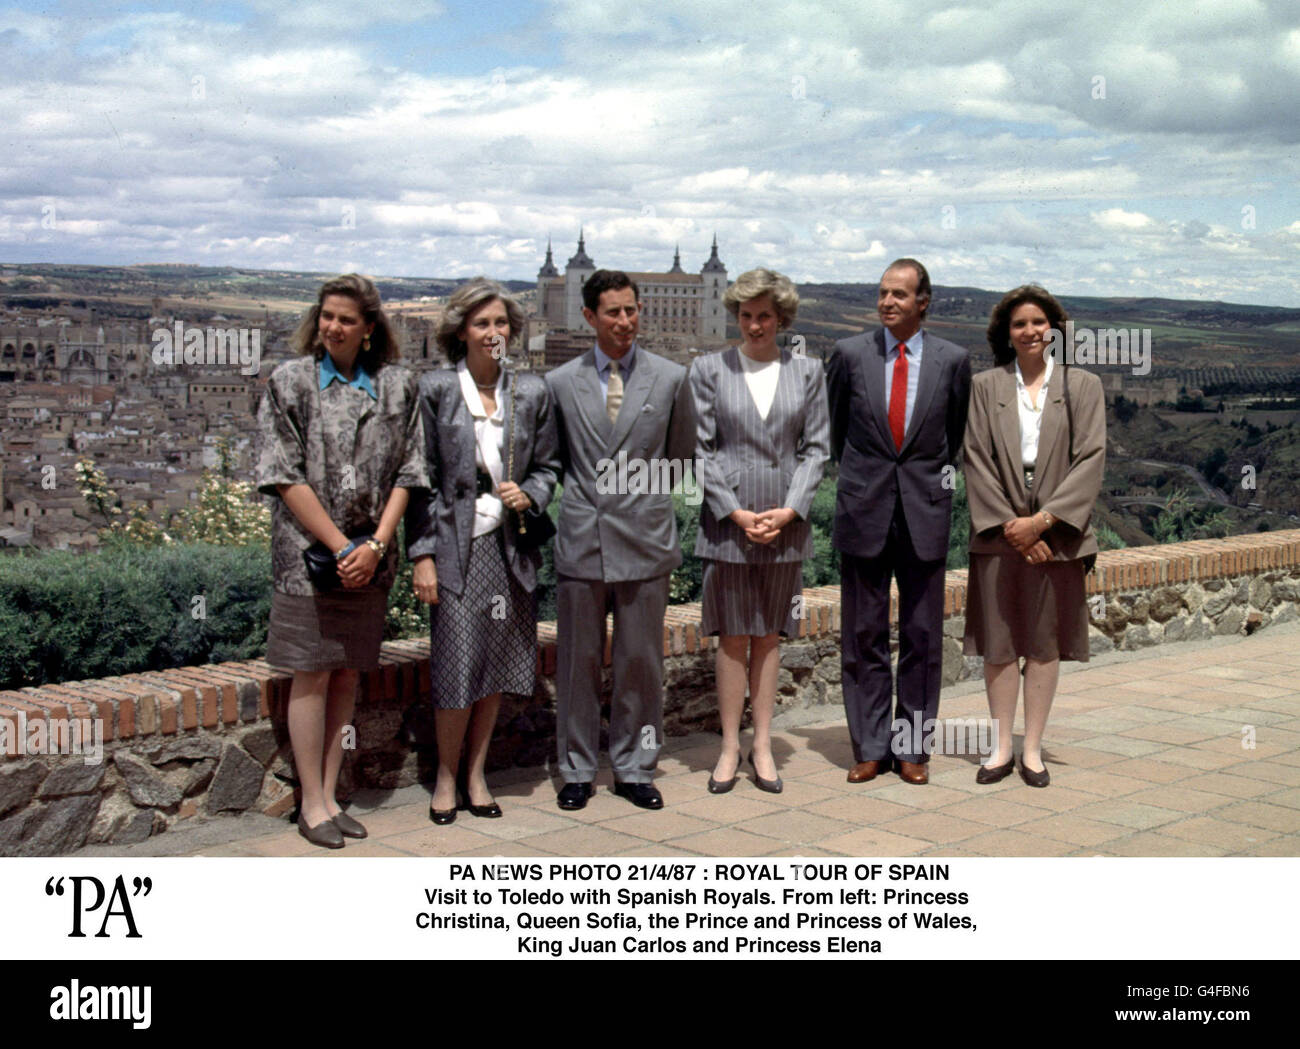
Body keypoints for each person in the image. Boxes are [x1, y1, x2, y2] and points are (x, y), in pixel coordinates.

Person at [257, 274, 428, 848]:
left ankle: (331, 793)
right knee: (311, 673)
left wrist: (377, 544)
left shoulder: (398, 387)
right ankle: (310, 802)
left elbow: (410, 470)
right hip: (308, 556)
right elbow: (283, 475)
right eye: (326, 315)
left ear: (370, 328)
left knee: (347, 673)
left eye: (346, 319)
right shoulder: (290, 382)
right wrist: (341, 546)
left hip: (371, 558)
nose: (333, 326)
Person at [405, 278, 559, 823]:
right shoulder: (437, 390)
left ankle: (476, 774)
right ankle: (446, 776)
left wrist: (532, 493)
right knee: (455, 664)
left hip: (510, 547)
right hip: (455, 550)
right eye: (481, 324)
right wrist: (421, 555)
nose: (493, 333)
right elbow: (416, 476)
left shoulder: (532, 392)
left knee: (493, 665)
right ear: (461, 331)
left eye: (501, 324)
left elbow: (548, 466)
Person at [545, 269, 696, 811]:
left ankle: (636, 768)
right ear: (589, 317)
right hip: (583, 542)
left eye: (632, 310)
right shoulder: (561, 383)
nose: (625, 321)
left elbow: (681, 461)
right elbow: (553, 461)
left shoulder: (672, 379)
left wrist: (639, 498)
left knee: (641, 662)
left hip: (646, 541)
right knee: (577, 662)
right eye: (613, 312)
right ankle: (577, 769)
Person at [828, 258, 971, 786]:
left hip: (924, 515)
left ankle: (912, 748)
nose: (888, 302)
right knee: (861, 634)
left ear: (923, 302)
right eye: (883, 293)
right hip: (863, 513)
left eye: (900, 295)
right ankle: (868, 746)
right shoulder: (848, 355)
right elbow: (835, 427)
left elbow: (952, 439)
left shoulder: (953, 361)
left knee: (921, 635)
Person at [690, 269, 829, 794]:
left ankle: (764, 744)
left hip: (784, 527)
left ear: (781, 318)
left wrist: (790, 511)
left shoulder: (809, 372)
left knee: (770, 636)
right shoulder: (708, 369)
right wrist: (735, 513)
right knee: (731, 636)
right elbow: (699, 450)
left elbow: (817, 449)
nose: (754, 325)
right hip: (728, 528)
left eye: (764, 315)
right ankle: (729, 746)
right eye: (746, 315)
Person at [963, 285, 1105, 787]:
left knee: (1044, 643)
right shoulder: (984, 386)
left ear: (1054, 330)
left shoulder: (1084, 385)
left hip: (1058, 536)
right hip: (999, 533)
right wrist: (1013, 527)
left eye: (1038, 323)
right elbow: (975, 459)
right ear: (1006, 332)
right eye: (1019, 324)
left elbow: (1091, 457)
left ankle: (1034, 750)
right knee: (1000, 643)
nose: (1029, 331)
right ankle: (1001, 747)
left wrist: (1043, 522)